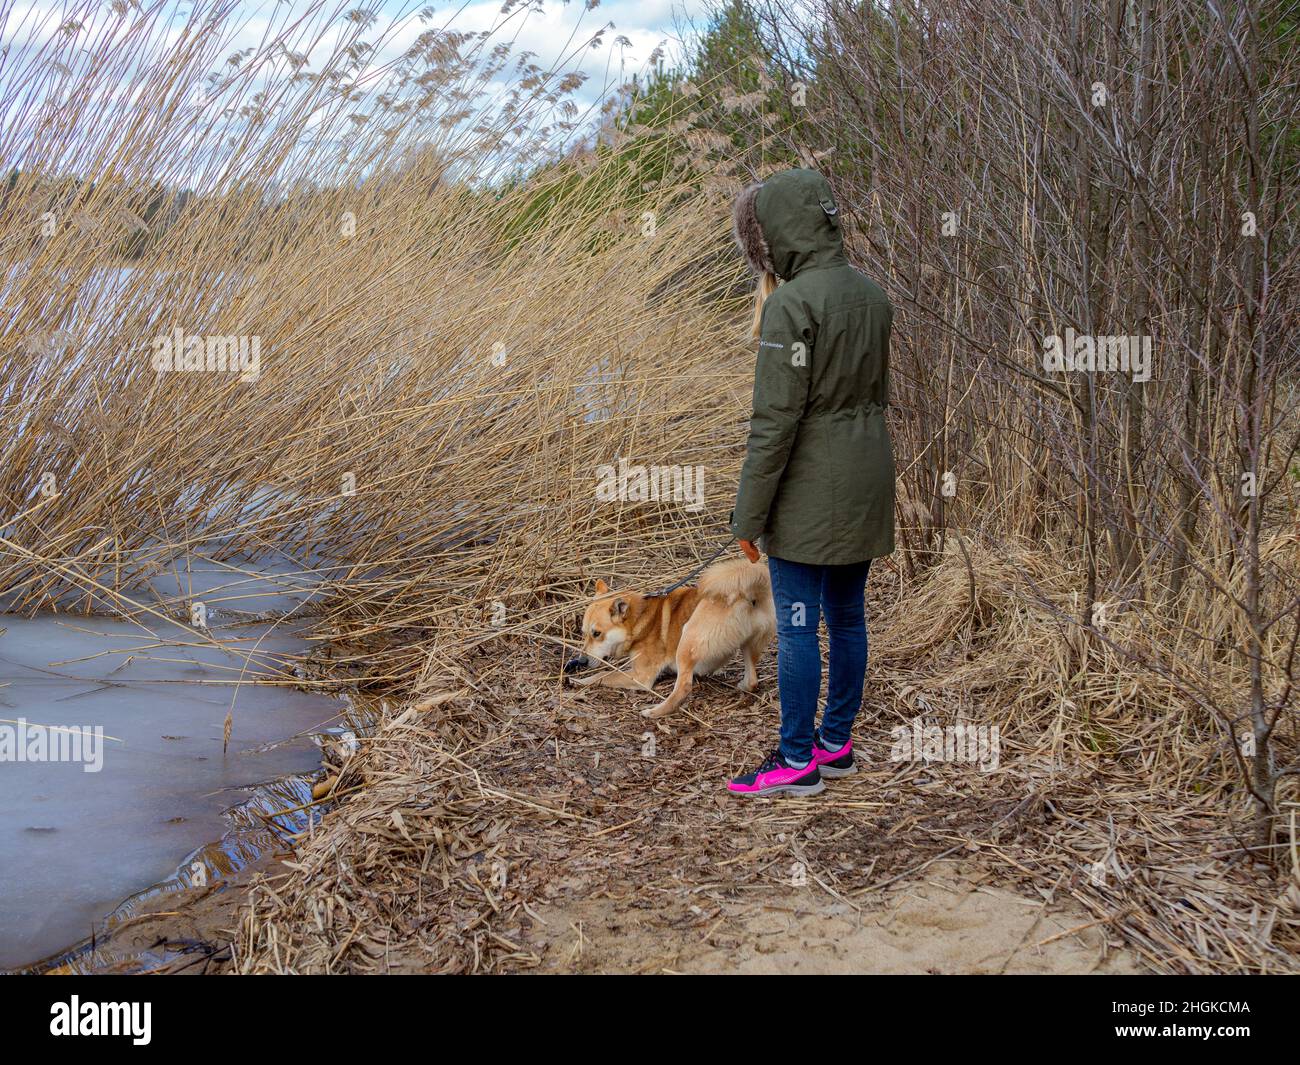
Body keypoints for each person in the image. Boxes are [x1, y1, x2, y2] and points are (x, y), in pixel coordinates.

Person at [725, 168, 895, 798]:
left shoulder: (790, 306)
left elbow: (775, 422)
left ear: (772, 235)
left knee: (797, 622)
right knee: (847, 617)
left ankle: (796, 760)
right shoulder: (873, 295)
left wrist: (747, 518)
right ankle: (836, 743)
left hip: (811, 485)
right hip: (868, 473)